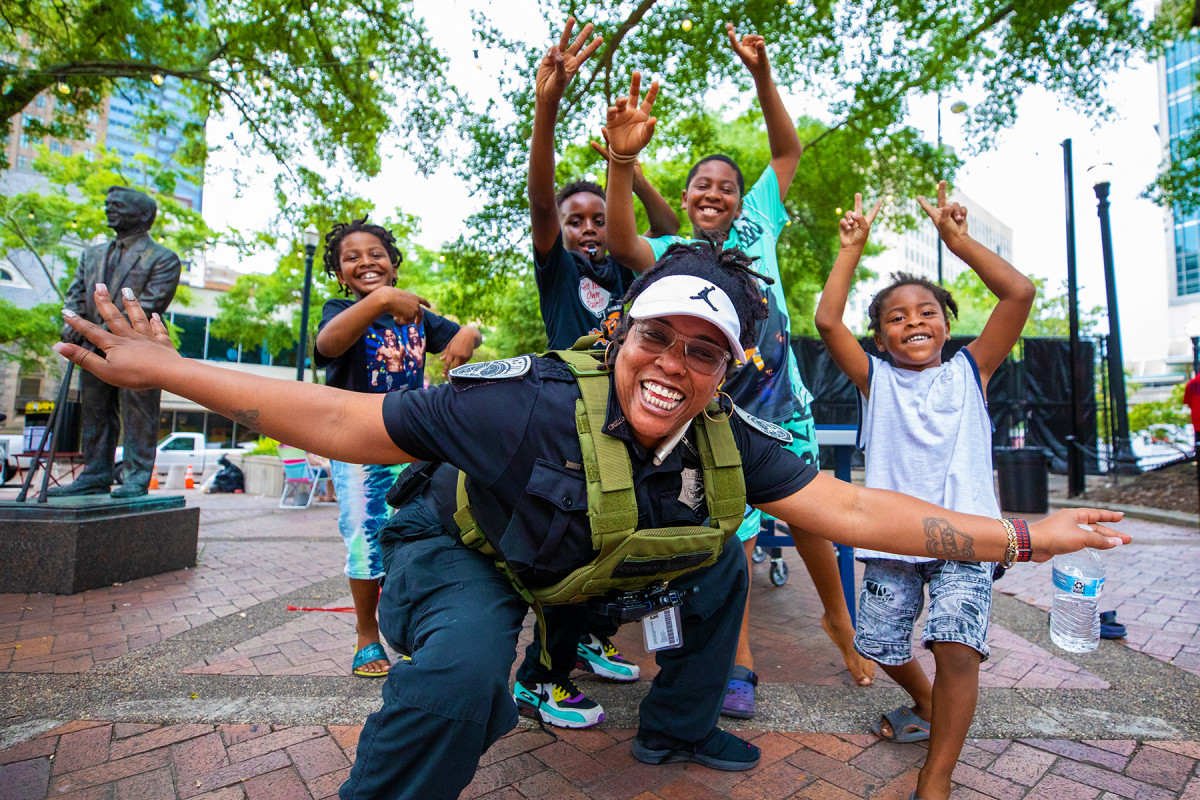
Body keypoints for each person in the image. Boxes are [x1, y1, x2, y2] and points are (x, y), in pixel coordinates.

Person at [55, 243, 1124, 800]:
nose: (675, 365)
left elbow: (855, 507)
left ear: (727, 367)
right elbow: (342, 418)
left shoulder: (729, 437)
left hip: (597, 574)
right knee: (461, 686)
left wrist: (1032, 536)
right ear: (622, 333)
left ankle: (677, 724)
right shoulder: (520, 398)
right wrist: (168, 366)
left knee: (715, 560)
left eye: (703, 351)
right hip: (473, 554)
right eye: (659, 337)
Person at [602, 33, 875, 720]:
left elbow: (788, 151)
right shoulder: (673, 252)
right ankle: (741, 661)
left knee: (812, 517)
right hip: (718, 417)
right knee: (736, 535)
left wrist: (763, 74)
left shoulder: (758, 222)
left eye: (726, 185)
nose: (716, 193)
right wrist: (623, 165)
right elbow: (621, 241)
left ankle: (840, 622)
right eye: (703, 185)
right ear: (689, 199)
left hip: (786, 406)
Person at [814, 185, 1037, 800]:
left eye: (927, 311)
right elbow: (828, 321)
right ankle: (926, 701)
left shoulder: (972, 369)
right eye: (896, 316)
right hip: (891, 539)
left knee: (956, 643)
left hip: (967, 539)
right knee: (879, 641)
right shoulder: (875, 381)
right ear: (881, 338)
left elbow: (1018, 293)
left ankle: (934, 777)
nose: (913, 320)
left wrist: (959, 242)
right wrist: (850, 251)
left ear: (946, 324)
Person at [513, 16, 683, 729]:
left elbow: (666, 230)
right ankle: (538, 678)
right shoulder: (558, 273)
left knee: (621, 538)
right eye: (573, 218)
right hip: (569, 417)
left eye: (594, 220)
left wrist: (630, 169)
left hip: (628, 419)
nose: (585, 228)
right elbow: (539, 193)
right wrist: (548, 105)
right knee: (573, 540)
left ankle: (589, 638)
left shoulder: (625, 269)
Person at [313, 217, 481, 678]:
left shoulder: (418, 316)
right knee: (365, 540)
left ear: (393, 263)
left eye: (375, 254)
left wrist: (469, 330)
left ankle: (410, 630)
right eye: (352, 257)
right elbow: (327, 344)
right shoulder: (338, 310)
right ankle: (367, 636)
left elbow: (466, 337)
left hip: (410, 443)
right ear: (339, 273)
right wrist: (383, 299)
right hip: (355, 447)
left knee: (416, 534)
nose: (366, 261)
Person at [49, 186, 182, 499]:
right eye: (107, 203)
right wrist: (72, 322)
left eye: (117, 205)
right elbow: (76, 292)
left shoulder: (163, 259)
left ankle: (136, 477)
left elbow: (150, 303)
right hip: (92, 350)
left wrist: (97, 331)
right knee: (94, 411)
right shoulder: (91, 254)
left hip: (138, 351)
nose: (109, 209)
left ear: (143, 214)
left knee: (139, 413)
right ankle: (95, 472)